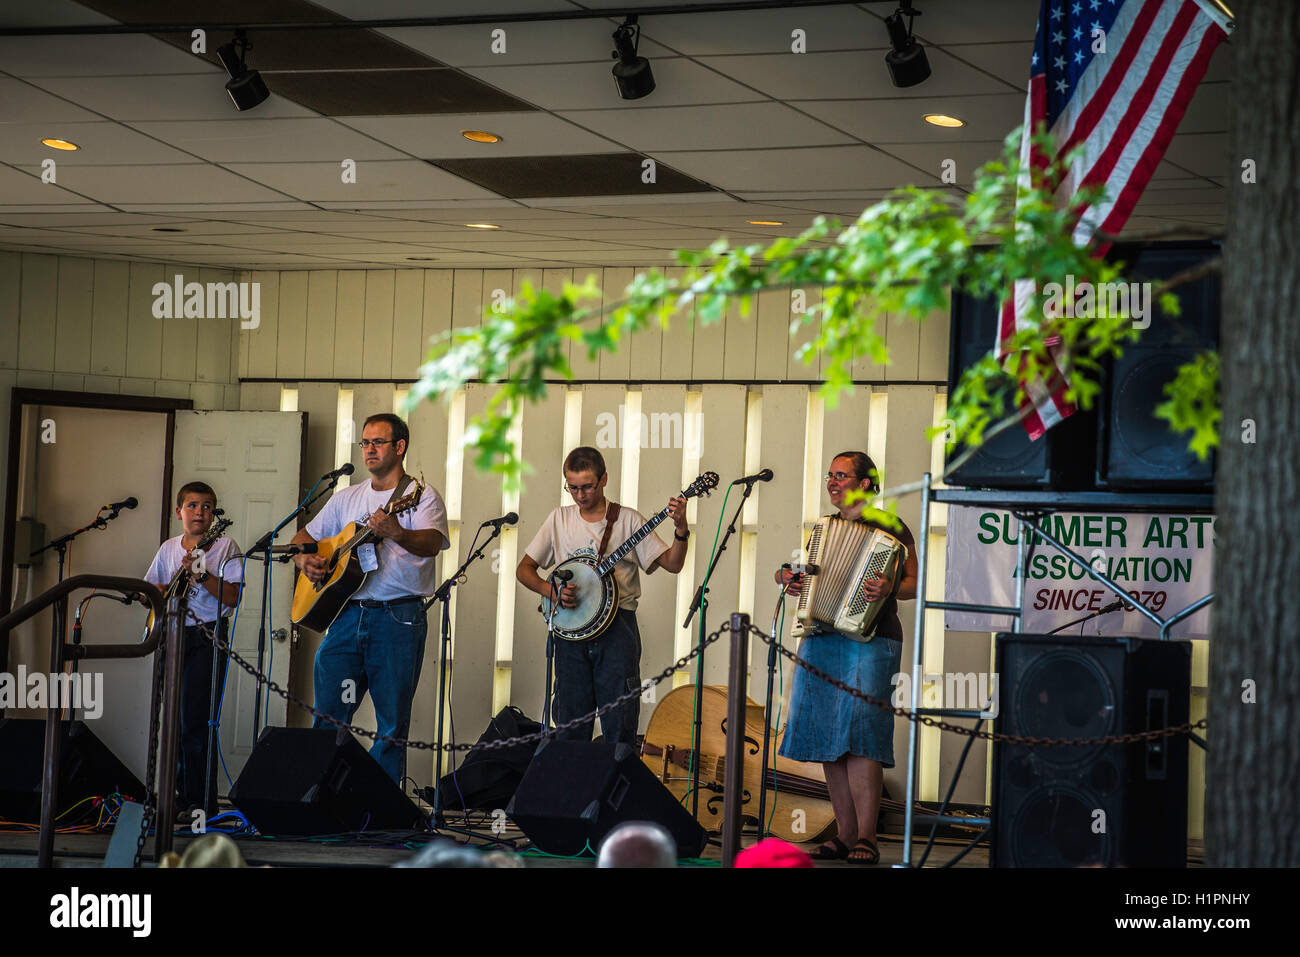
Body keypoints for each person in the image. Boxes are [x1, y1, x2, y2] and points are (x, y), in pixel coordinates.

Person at [775, 451, 918, 865]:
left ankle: (868, 837)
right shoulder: (823, 529)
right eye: (830, 476)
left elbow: (914, 581)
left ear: (867, 483)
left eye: (842, 475)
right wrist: (789, 578)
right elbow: (806, 573)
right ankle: (845, 832)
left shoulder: (890, 525)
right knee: (828, 739)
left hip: (871, 639)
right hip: (822, 636)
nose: (832, 482)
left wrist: (888, 588)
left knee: (862, 736)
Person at [290, 413, 450, 783]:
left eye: (378, 442)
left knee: (390, 723)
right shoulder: (347, 497)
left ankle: (380, 812)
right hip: (347, 614)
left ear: (400, 447)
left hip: (398, 617)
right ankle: (323, 798)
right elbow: (303, 537)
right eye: (365, 443)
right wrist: (304, 559)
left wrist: (396, 531)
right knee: (329, 712)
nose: (369, 450)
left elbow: (431, 544)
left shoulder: (420, 496)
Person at [515, 446, 689, 745]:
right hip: (569, 635)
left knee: (619, 724)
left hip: (617, 631)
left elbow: (673, 564)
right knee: (570, 725)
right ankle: (572, 788)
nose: (580, 495)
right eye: (573, 487)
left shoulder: (628, 521)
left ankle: (613, 787)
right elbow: (525, 569)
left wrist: (681, 528)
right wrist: (550, 590)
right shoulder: (559, 519)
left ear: (604, 479)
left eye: (587, 486)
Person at [143, 481, 243, 818]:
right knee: (170, 720)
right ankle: (173, 798)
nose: (199, 512)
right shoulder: (169, 547)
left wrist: (200, 575)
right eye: (192, 505)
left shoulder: (225, 546)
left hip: (207, 636)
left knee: (195, 722)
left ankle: (200, 803)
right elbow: (149, 593)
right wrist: (155, 591)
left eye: (207, 506)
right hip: (172, 634)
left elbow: (232, 597)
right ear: (179, 512)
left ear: (213, 513)